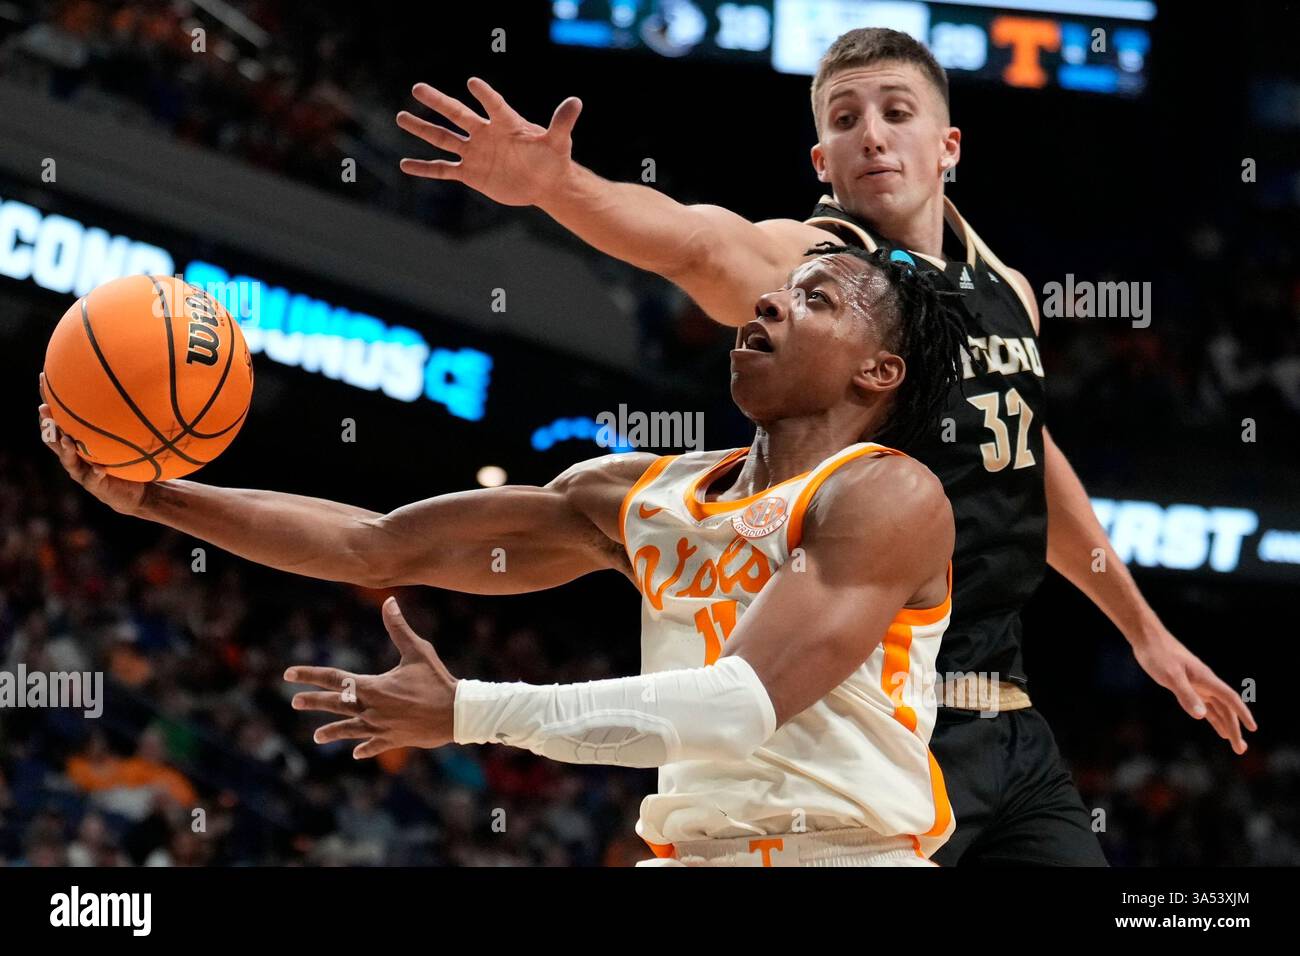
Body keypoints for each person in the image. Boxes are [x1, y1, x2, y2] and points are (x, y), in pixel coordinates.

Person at [393, 27, 1256, 866]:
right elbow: (697, 241)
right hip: (881, 718)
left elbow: (1024, 450)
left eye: (896, 112)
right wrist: (562, 187)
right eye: (844, 120)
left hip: (1012, 717)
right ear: (821, 162)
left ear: (949, 143)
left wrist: (1144, 631)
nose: (871, 135)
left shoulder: (1010, 290)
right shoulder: (822, 270)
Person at [41, 247, 967, 866]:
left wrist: (469, 710)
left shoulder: (886, 495)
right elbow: (377, 546)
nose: (770, 299)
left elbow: (736, 707)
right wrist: (154, 498)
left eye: (817, 299)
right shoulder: (636, 496)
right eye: (781, 285)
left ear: (876, 372)